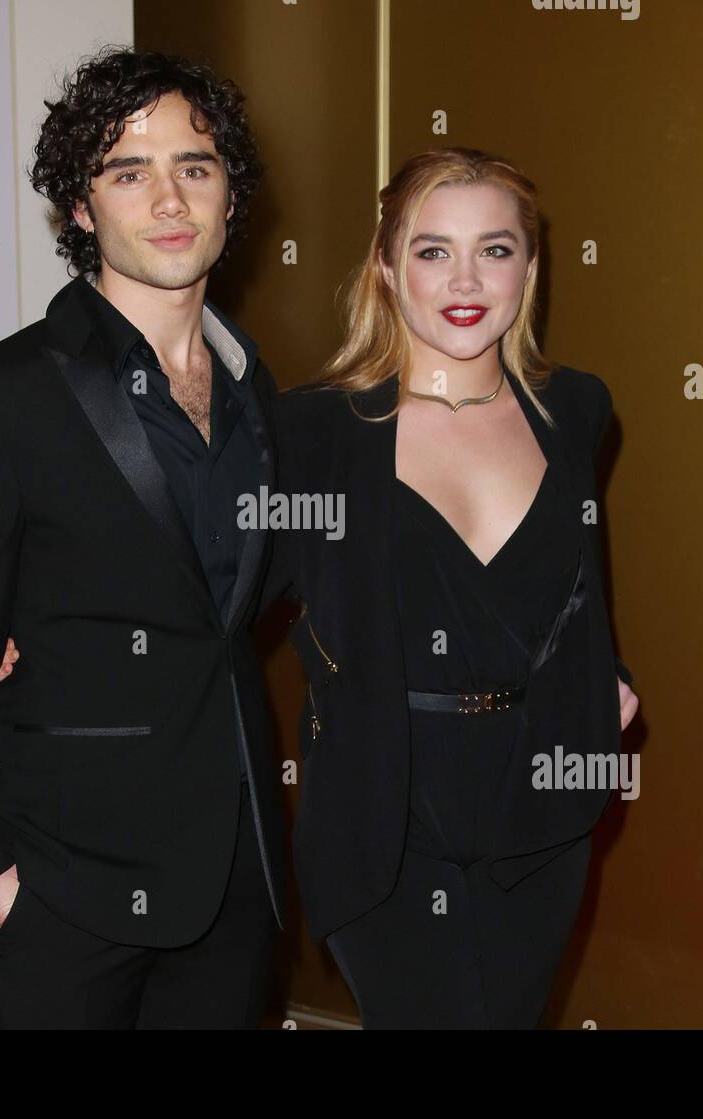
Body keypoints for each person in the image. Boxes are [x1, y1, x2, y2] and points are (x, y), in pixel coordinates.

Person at [0, 47, 285, 1029]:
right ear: (80, 206)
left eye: (195, 166)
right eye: (127, 171)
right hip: (65, 894)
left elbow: (252, 606)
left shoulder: (260, 395)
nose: (168, 198)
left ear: (229, 195)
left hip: (235, 886)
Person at [259, 147, 640, 1027]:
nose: (465, 278)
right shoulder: (314, 430)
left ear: (531, 267)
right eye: (433, 250)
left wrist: (602, 673)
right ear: (387, 268)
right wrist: (40, 628)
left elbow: (577, 579)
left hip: (540, 810)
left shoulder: (575, 408)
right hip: (386, 813)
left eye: (495, 249)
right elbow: (219, 597)